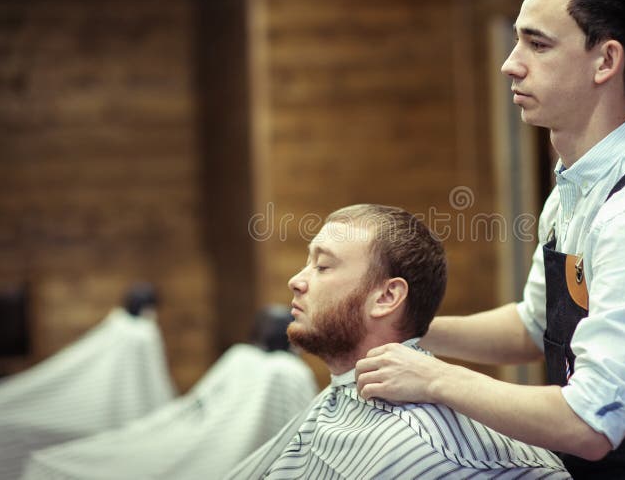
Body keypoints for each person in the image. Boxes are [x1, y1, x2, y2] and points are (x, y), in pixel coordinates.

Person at [355, 0, 625, 480]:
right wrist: (404, 329)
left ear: (605, 62)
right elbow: (533, 327)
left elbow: (594, 424)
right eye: (517, 40)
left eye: (537, 43)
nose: (511, 62)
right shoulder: (572, 192)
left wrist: (433, 378)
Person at [224, 204, 571, 479]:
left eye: (323, 267)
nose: (296, 281)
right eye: (307, 263)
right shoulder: (346, 397)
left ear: (387, 297)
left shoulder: (432, 445)